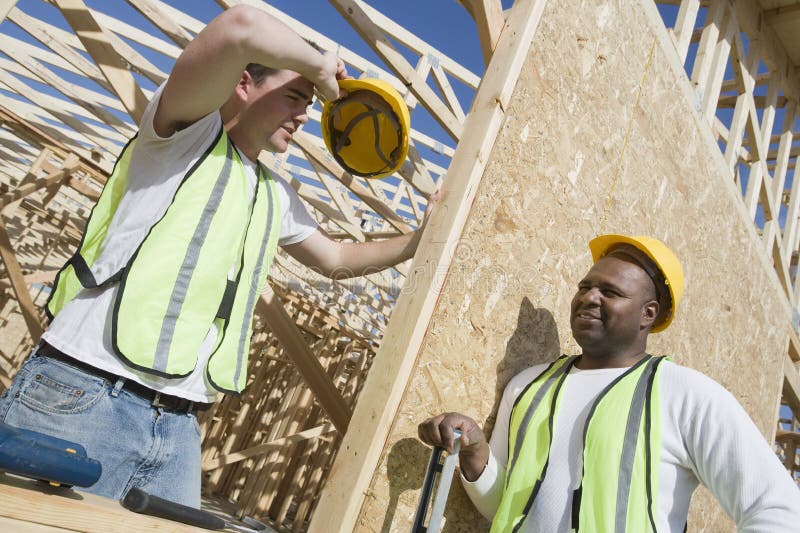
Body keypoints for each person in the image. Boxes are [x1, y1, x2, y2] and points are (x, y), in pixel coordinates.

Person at [0, 5, 433, 507]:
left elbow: (336, 258)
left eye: (307, 106)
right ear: (244, 83)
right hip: (85, 391)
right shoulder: (181, 135)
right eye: (294, 97)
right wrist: (318, 64)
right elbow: (239, 28)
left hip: (179, 423)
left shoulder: (274, 194)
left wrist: (421, 238)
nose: (302, 116)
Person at [418, 234, 800, 532]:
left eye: (610, 292)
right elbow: (506, 507)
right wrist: (476, 455)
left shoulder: (686, 395)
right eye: (585, 287)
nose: (588, 298)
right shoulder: (528, 386)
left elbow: (779, 510)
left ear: (647, 314)